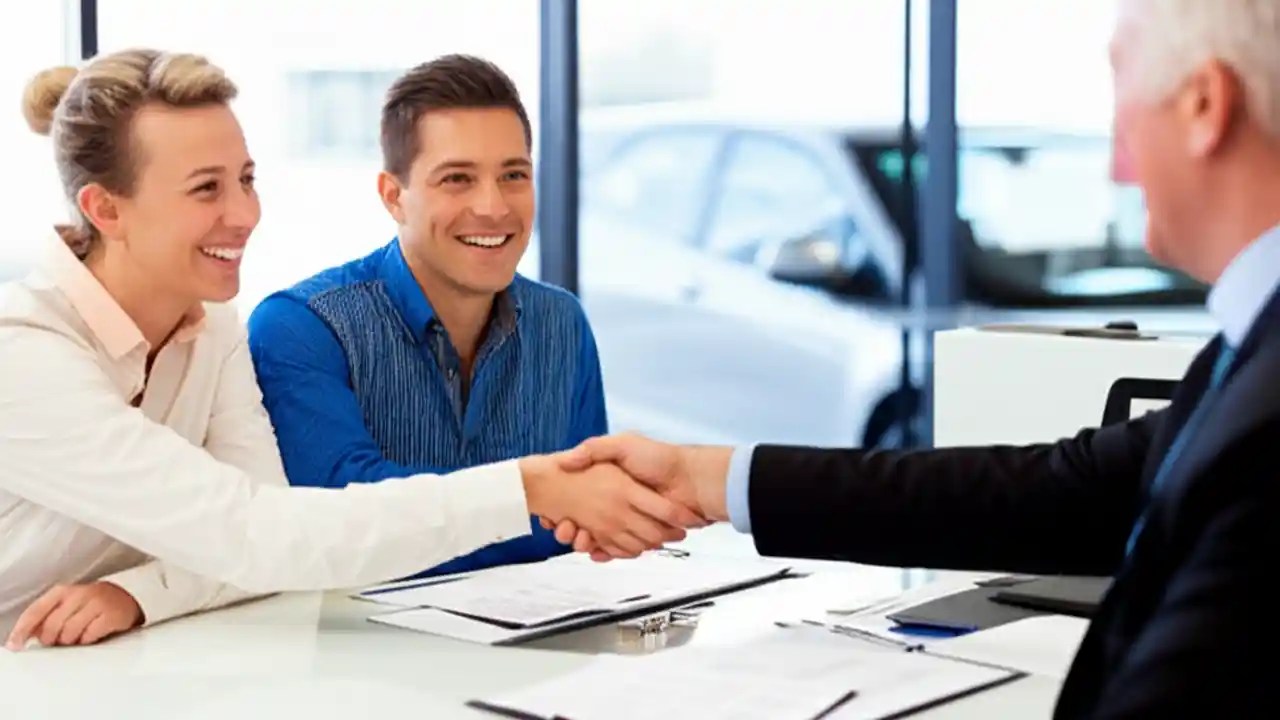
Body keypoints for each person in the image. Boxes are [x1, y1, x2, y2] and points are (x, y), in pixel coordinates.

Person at [555, 0, 1280, 716]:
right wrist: (706, 478)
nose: (1115, 155)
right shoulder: (1247, 347)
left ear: (1202, 105)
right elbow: (1063, 491)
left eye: (1120, 86)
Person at [0, 49, 699, 651]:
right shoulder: (22, 356)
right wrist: (530, 489)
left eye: (245, 179)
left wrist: (140, 593)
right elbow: (263, 533)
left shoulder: (211, 329)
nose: (245, 215)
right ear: (106, 209)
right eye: (206, 189)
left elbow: (261, 539)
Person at [245, 55, 605, 578]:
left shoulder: (562, 322)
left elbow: (590, 518)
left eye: (513, 175)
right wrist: (539, 502)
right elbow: (338, 526)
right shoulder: (301, 328)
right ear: (394, 196)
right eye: (457, 179)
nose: (493, 206)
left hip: (544, 644)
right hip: (362, 649)